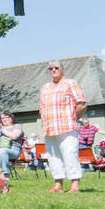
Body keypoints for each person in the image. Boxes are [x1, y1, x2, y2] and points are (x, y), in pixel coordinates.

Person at [39, 61, 88, 194]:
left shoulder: (70, 83)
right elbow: (41, 107)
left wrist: (74, 118)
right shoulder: (45, 87)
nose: (53, 70)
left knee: (70, 155)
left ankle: (74, 186)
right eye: (51, 68)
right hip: (49, 128)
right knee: (53, 157)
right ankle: (58, 185)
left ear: (62, 69)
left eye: (56, 67)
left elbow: (82, 104)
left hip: (67, 127)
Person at [0, 111, 25, 178]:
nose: (4, 119)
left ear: (11, 118)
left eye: (6, 117)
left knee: (2, 151)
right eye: (2, 118)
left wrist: (2, 130)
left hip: (14, 149)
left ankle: (6, 175)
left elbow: (13, 136)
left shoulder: (17, 126)